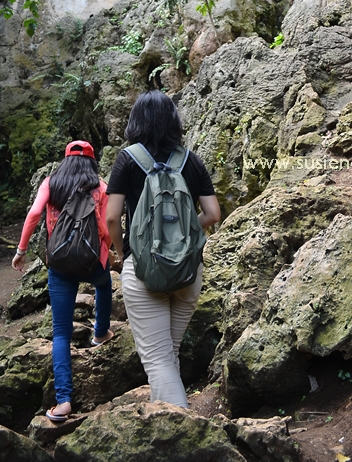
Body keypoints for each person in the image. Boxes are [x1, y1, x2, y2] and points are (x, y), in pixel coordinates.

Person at [105, 91, 220, 409]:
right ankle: (166, 424)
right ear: (174, 121)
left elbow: (112, 216)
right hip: (187, 271)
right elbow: (213, 214)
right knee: (168, 353)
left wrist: (123, 253)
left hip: (144, 271)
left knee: (157, 360)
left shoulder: (127, 159)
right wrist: (184, 235)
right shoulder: (190, 159)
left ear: (135, 122)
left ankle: (182, 430)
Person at [12, 140, 114, 422]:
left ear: (65, 160)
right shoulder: (100, 186)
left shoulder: (51, 182)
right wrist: (111, 253)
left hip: (59, 264)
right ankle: (100, 332)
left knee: (60, 332)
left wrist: (21, 251)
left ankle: (64, 402)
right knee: (104, 285)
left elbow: (34, 214)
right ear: (92, 162)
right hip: (92, 260)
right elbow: (105, 227)